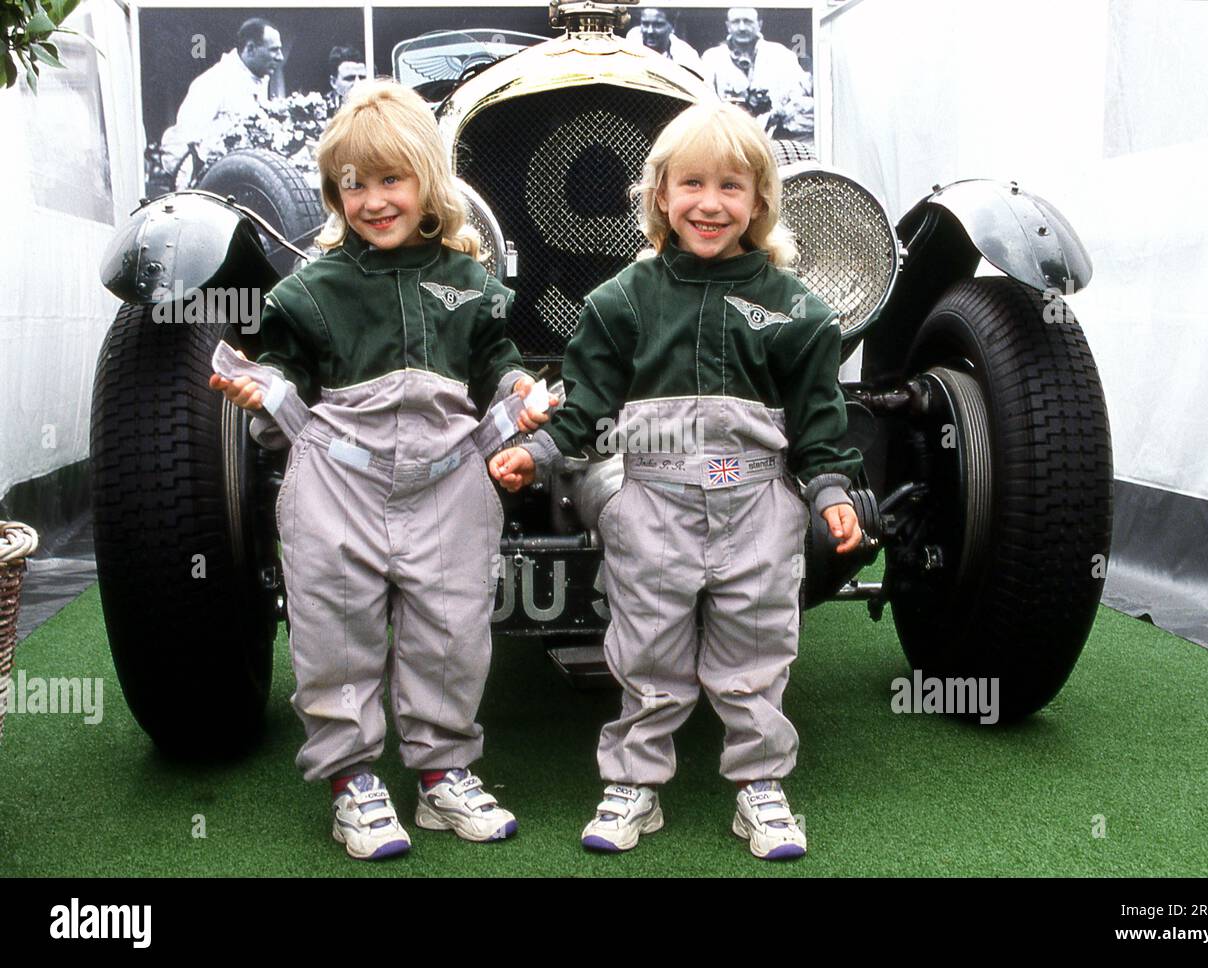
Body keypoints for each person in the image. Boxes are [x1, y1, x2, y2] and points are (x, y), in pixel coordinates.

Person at [490, 102, 864, 860]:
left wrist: (829, 494)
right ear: (659, 195)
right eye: (690, 183)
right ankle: (634, 785)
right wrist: (539, 455)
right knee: (646, 649)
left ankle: (759, 786)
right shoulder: (621, 301)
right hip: (651, 500)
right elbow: (585, 411)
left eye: (732, 186)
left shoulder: (799, 311)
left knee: (757, 650)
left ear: (760, 201)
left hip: (758, 501)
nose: (710, 203)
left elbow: (819, 424)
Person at [210, 80, 553, 861]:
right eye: (352, 184)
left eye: (390, 179)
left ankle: (441, 775)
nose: (371, 199)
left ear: (428, 182)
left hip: (447, 486)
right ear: (334, 192)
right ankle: (352, 782)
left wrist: (519, 393)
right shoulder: (307, 291)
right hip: (336, 484)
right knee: (334, 633)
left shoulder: (471, 284)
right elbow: (286, 377)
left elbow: (495, 363)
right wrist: (259, 386)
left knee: (453, 633)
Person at [159, 17, 285, 175]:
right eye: (274, 50)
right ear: (250, 48)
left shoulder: (259, 80)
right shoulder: (214, 81)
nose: (280, 57)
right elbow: (183, 145)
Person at [700, 7, 813, 138]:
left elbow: (797, 95)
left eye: (748, 21)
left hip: (775, 134)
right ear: (728, 26)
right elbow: (705, 97)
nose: (742, 27)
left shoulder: (781, 54)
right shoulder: (712, 57)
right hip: (728, 135)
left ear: (759, 24)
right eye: (736, 22)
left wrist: (775, 114)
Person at [626, 7, 702, 75]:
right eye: (645, 24)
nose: (650, 31)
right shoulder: (631, 43)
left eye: (658, 25)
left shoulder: (687, 55)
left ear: (672, 26)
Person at [324, 45, 367, 116]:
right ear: (333, 82)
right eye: (350, 78)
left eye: (362, 78)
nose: (358, 83)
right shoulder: (320, 107)